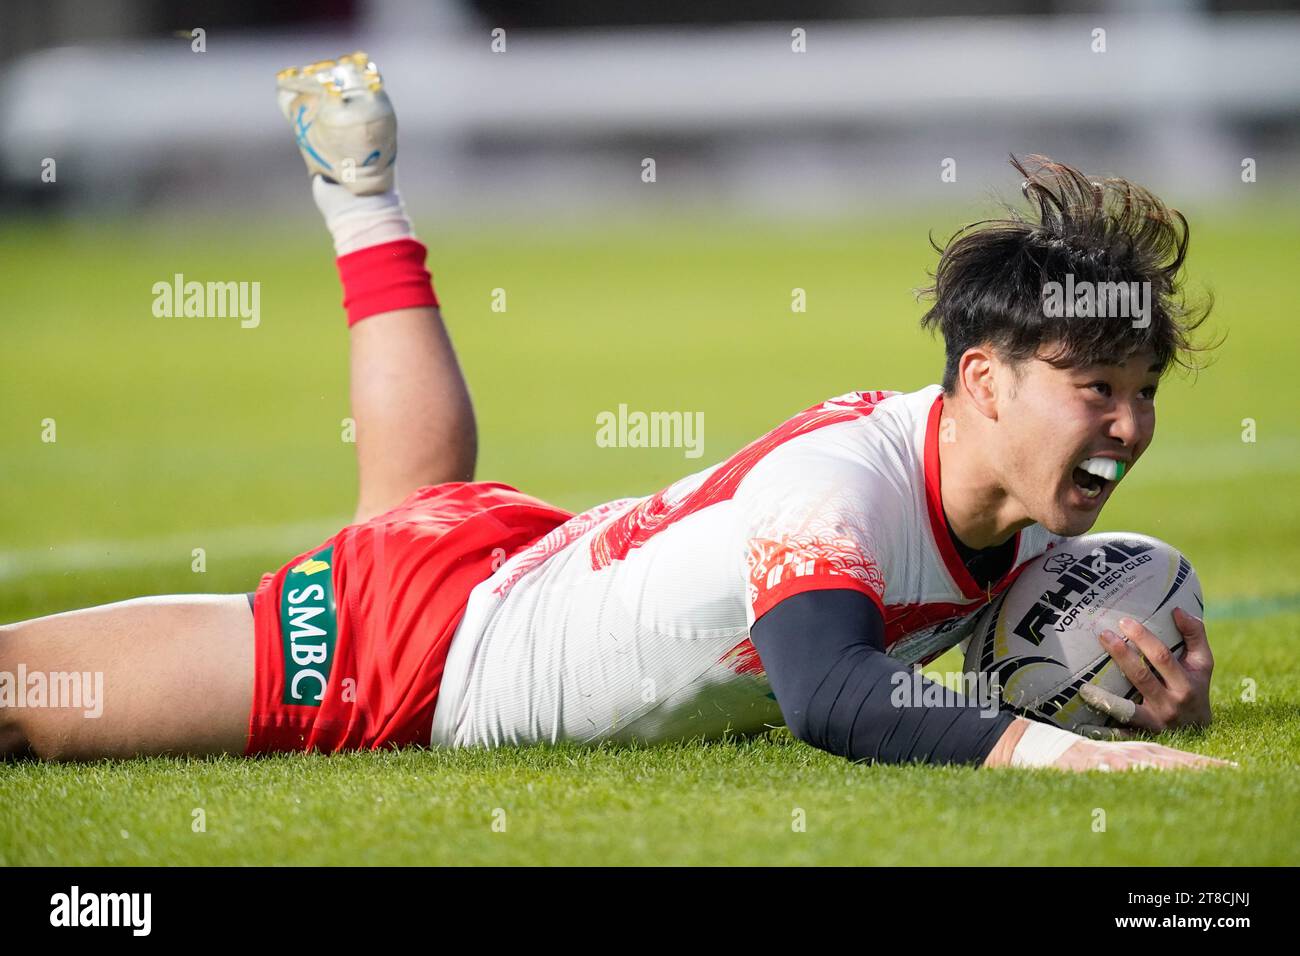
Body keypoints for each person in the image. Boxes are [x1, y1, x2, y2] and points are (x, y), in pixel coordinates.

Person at [0, 53, 1230, 773]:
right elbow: (834, 694)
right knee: (24, 704)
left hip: (513, 553)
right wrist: (1088, 754)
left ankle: (362, 194)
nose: (1126, 426)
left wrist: (1132, 689)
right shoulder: (838, 489)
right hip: (419, 648)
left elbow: (1007, 660)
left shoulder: (1018, 509)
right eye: (1096, 388)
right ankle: (359, 198)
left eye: (1142, 394)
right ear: (982, 383)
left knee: (412, 505)